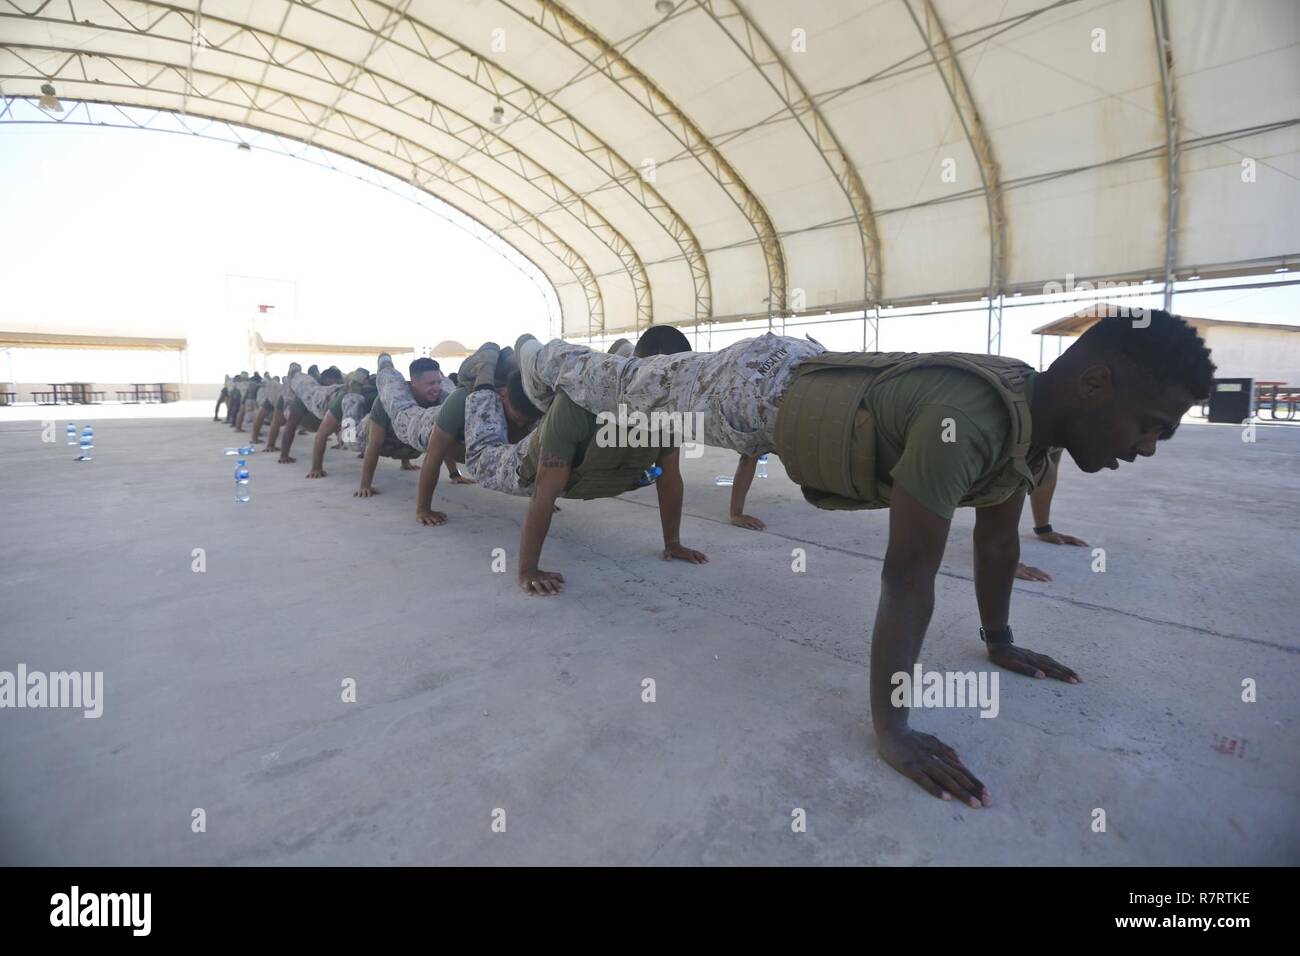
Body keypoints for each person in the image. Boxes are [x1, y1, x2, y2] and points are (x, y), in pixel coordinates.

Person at [514, 307, 1215, 804]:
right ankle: (537, 357)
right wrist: (895, 730)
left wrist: (1000, 640)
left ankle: (546, 364)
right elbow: (908, 575)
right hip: (743, 388)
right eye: (1151, 426)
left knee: (625, 387)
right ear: (1094, 387)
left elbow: (997, 535)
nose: (1146, 447)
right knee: (618, 383)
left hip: (793, 372)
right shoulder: (968, 421)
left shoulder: (1027, 421)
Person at [356, 357, 457, 497]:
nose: (436, 388)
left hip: (396, 441)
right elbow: (374, 443)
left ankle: (405, 460)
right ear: (414, 382)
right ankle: (354, 386)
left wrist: (454, 474)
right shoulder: (389, 400)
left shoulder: (437, 397)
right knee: (349, 438)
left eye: (439, 382)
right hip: (362, 435)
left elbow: (442, 436)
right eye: (431, 383)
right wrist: (365, 485)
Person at [276, 365, 345, 464]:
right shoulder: (307, 396)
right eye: (335, 381)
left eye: (339, 382)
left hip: (323, 420)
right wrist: (284, 455)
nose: (337, 384)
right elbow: (290, 426)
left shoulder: (336, 395)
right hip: (307, 420)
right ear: (324, 380)